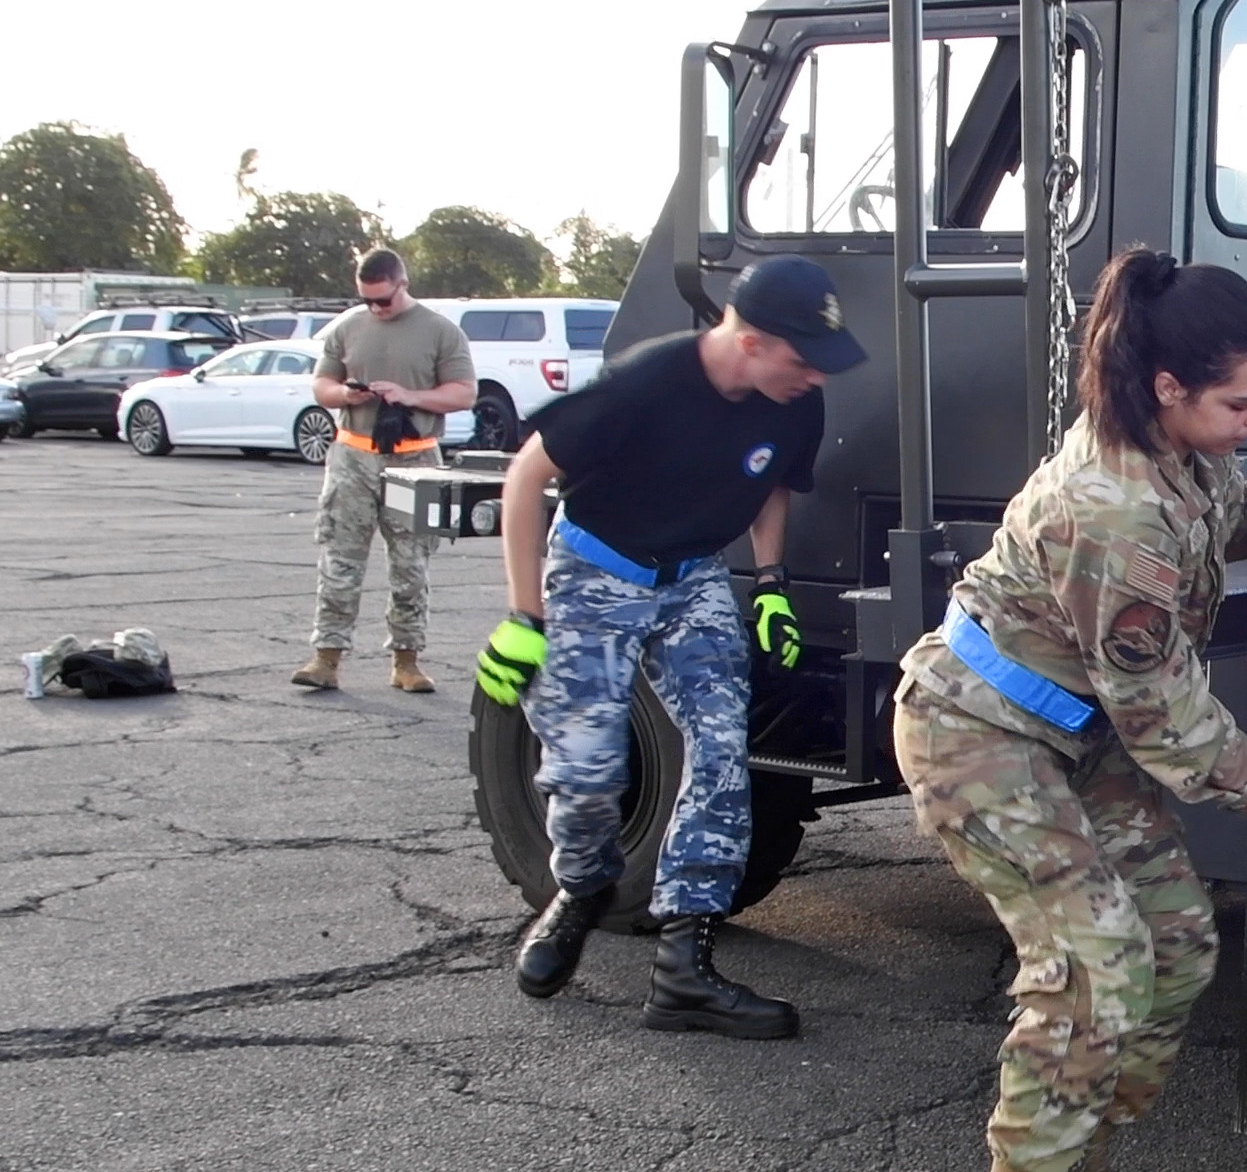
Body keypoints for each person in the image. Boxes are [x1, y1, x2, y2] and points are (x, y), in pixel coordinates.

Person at [895, 248, 1247, 1172]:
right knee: (1094, 965)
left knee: (1180, 944)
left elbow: (1224, 516)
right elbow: (1164, 716)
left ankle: (1074, 1171)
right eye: (1240, 403)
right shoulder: (1110, 510)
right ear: (1168, 387)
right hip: (980, 734)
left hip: (1076, 737)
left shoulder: (1174, 452)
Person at [476, 256, 862, 1039]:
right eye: (804, 358)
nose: (817, 375)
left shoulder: (793, 399)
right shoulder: (643, 384)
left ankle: (685, 969)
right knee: (587, 773)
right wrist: (525, 616)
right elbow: (524, 478)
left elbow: (776, 482)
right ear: (750, 341)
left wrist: (772, 583)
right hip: (596, 572)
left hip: (692, 578)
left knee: (721, 753)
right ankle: (582, 889)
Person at [294, 248, 477, 694]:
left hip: (414, 460)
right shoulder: (347, 327)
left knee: (411, 564)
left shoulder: (440, 331)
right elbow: (321, 385)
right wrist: (344, 394)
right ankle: (326, 657)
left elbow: (464, 393)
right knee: (339, 559)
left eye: (383, 300)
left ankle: (406, 661)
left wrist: (410, 396)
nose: (375, 308)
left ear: (403, 284)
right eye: (367, 300)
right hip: (353, 456)